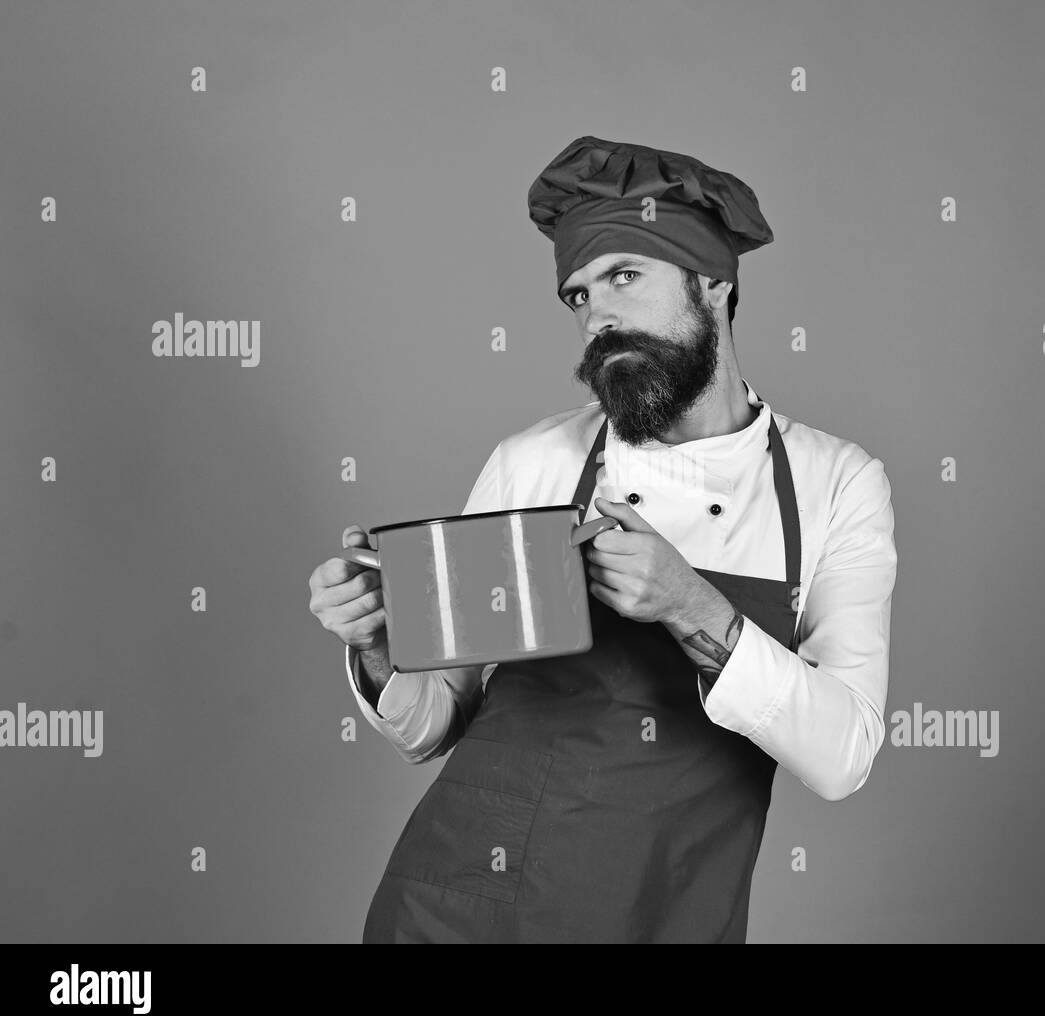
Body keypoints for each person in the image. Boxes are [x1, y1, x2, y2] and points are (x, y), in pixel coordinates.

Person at [308, 136, 898, 943]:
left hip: (665, 915)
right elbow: (437, 725)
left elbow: (842, 756)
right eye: (579, 296)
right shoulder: (534, 462)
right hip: (454, 910)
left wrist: (693, 605)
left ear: (714, 282)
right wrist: (380, 648)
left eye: (625, 276)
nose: (600, 316)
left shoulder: (836, 483)